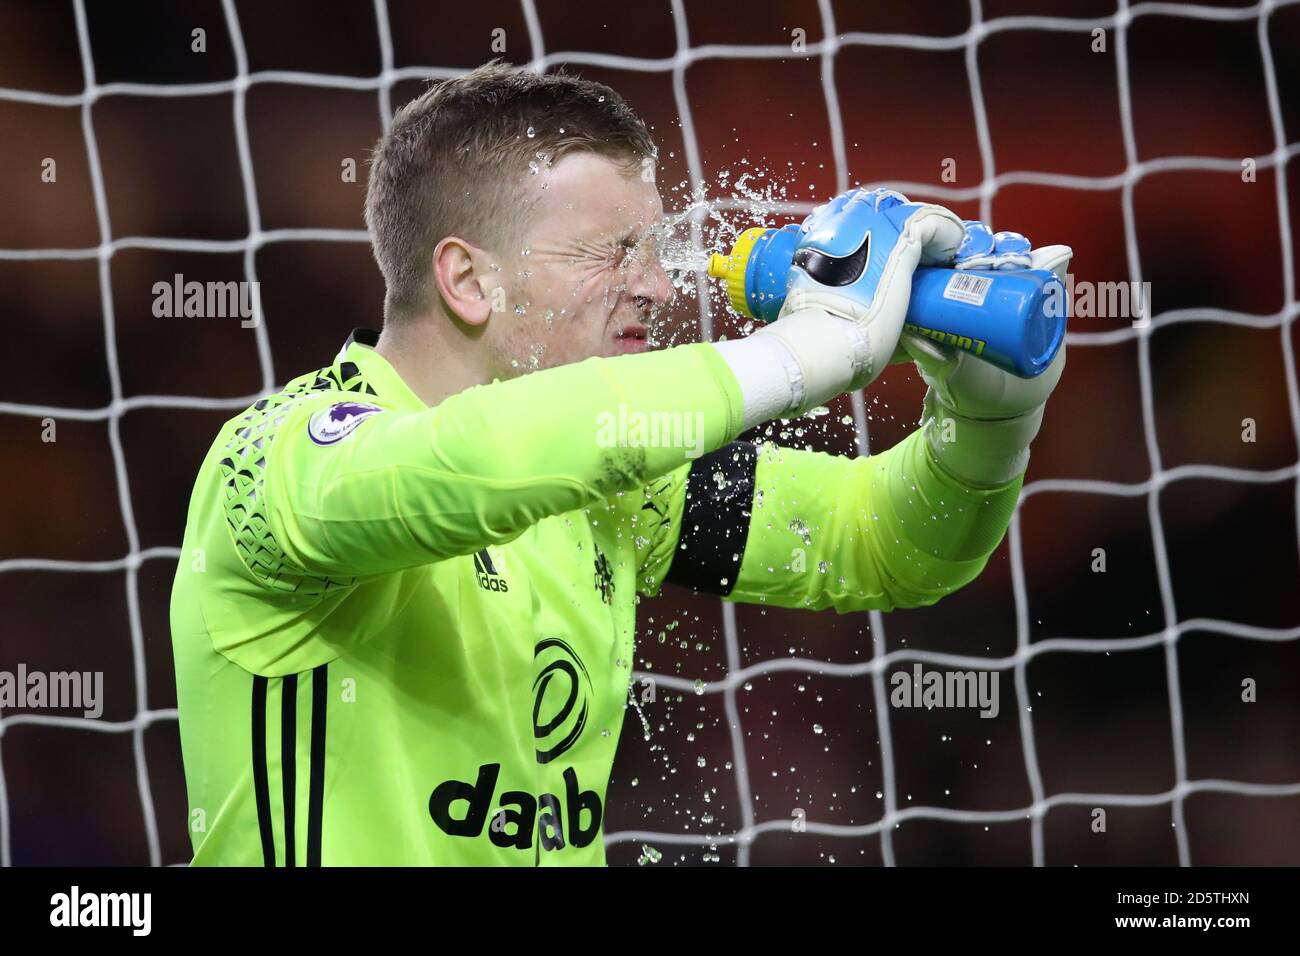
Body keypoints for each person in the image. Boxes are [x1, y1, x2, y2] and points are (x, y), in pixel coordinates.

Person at [170, 61, 1070, 865]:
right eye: (613, 252)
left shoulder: (609, 490)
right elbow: (475, 463)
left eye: (654, 245)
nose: (659, 284)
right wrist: (794, 358)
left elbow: (877, 544)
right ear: (469, 280)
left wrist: (988, 428)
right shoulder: (276, 463)